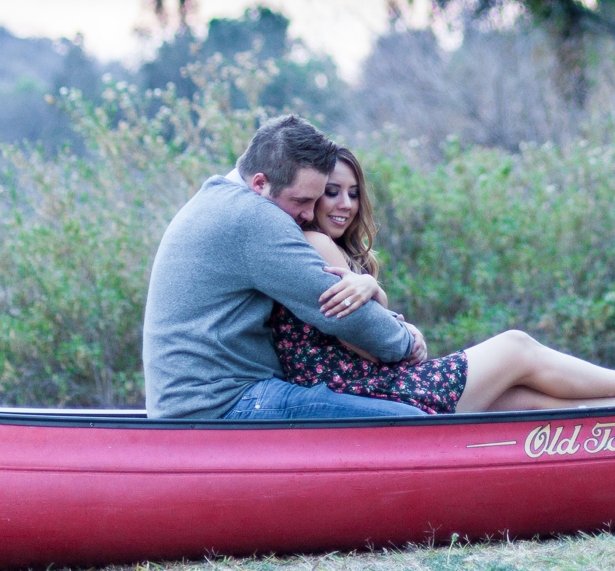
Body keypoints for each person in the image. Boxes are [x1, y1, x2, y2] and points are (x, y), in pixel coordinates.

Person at [269, 146, 615, 413]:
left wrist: (374, 288)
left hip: (375, 385)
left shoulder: (325, 247)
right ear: (311, 194)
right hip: (366, 393)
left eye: (353, 193)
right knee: (516, 347)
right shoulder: (316, 241)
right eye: (332, 192)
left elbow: (365, 321)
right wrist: (393, 319)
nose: (345, 204)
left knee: (524, 397)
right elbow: (369, 343)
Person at [141, 115, 428, 420]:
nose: (308, 214)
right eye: (301, 201)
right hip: (219, 404)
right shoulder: (254, 217)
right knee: (411, 422)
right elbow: (333, 306)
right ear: (260, 183)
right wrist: (406, 340)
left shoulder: (217, 198)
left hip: (196, 401)